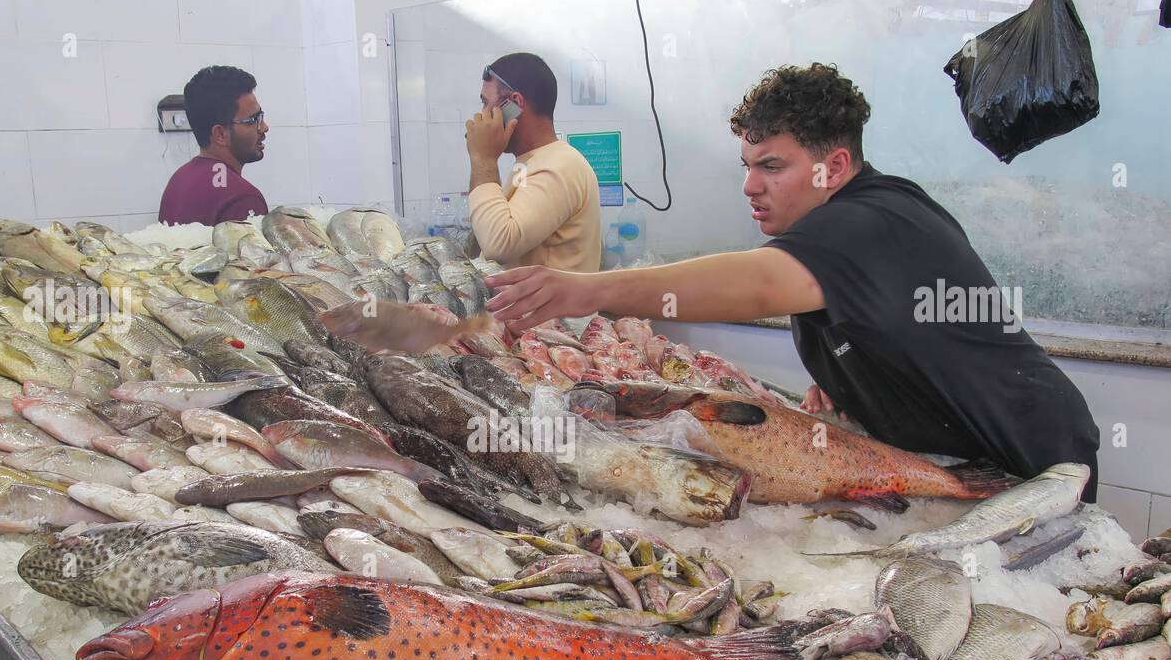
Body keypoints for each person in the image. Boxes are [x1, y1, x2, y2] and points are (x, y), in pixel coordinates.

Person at [484, 63, 1101, 500]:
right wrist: (852, 382)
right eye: (748, 166)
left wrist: (588, 289)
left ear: (833, 167)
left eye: (773, 167)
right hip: (955, 463)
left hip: (1030, 460)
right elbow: (878, 317)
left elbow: (756, 285)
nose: (751, 186)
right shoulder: (845, 220)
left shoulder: (871, 220)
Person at [465, 53, 602, 273]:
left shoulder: (561, 165)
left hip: (557, 309)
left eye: (485, 103)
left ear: (515, 103)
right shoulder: (534, 161)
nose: (481, 115)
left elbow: (499, 243)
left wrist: (483, 158)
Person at [159, 66, 269, 226]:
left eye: (261, 116)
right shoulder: (241, 198)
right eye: (253, 120)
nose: (264, 127)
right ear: (220, 135)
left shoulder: (179, 179)